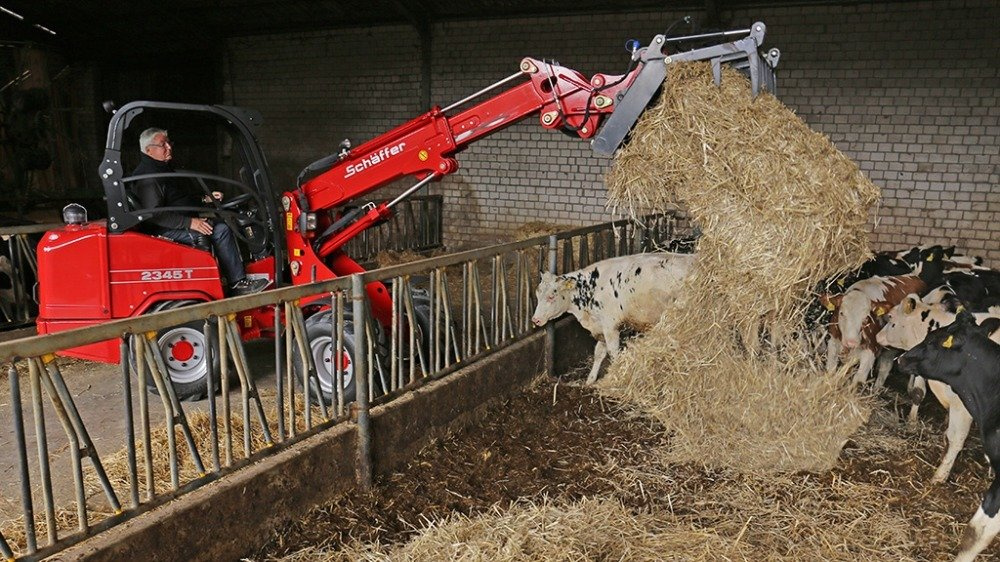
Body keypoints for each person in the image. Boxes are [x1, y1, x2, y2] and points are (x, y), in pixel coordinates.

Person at [130, 127, 267, 295]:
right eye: (162, 144)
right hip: (163, 229)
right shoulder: (149, 178)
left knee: (223, 222)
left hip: (175, 222)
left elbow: (177, 200)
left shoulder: (161, 169)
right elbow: (155, 214)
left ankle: (234, 275)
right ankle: (237, 283)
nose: (169, 147)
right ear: (148, 150)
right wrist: (191, 222)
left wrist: (204, 199)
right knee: (221, 229)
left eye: (169, 143)